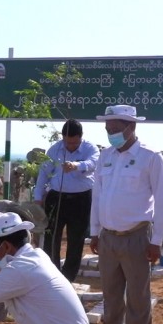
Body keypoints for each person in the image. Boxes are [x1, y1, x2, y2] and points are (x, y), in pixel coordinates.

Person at [89, 104, 163, 324]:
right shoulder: (105, 156)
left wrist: (157, 239)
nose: (110, 133)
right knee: (111, 295)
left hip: (137, 236)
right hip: (108, 237)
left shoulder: (151, 157)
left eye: (115, 129)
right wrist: (95, 231)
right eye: (108, 129)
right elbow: (97, 196)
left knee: (138, 297)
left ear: (131, 127)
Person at [34, 119, 99, 281]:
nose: (70, 146)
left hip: (81, 199)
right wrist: (38, 198)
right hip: (57, 198)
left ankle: (68, 277)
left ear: (81, 137)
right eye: (67, 142)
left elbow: (93, 163)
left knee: (76, 239)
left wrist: (77, 165)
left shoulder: (90, 148)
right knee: (51, 238)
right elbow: (43, 174)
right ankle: (52, 275)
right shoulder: (54, 149)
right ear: (62, 137)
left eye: (74, 143)